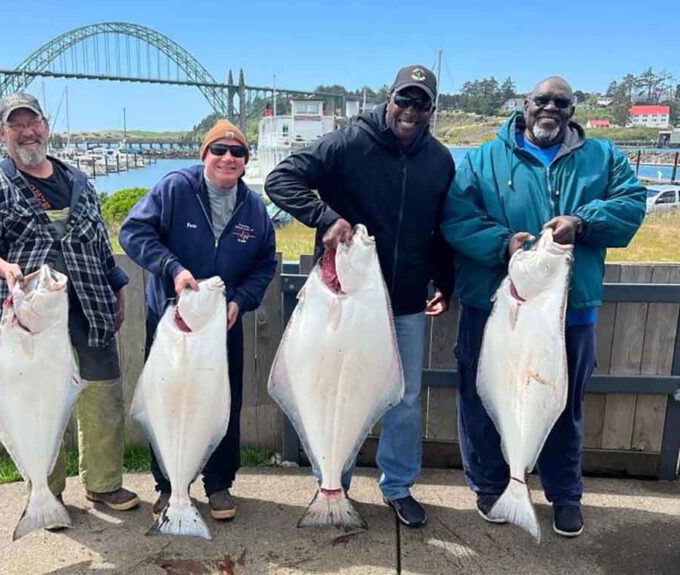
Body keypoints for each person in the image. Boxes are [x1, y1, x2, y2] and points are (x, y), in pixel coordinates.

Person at [440, 76, 646, 537]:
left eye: (561, 102)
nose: (550, 108)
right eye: (541, 100)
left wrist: (582, 220)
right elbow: (456, 218)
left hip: (571, 311)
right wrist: (502, 244)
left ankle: (564, 494)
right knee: (482, 399)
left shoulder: (604, 158)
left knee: (561, 404)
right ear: (525, 106)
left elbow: (633, 206)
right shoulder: (483, 159)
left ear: (572, 109)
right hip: (494, 307)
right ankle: (493, 486)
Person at [265, 65, 455, 527]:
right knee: (333, 391)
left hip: (406, 300)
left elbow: (440, 227)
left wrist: (445, 280)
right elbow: (280, 180)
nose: (410, 110)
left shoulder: (441, 160)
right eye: (403, 100)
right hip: (343, 299)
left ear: (432, 109)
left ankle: (398, 485)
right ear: (388, 100)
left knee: (404, 397)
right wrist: (325, 217)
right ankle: (333, 482)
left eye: (421, 103)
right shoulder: (346, 143)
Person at [0, 92, 140, 515]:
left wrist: (117, 288)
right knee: (35, 405)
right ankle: (46, 492)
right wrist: (3, 267)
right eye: (16, 124)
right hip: (30, 320)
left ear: (46, 125)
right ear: (3, 133)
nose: (27, 131)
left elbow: (100, 245)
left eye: (33, 122)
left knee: (103, 398)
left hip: (90, 310)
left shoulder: (80, 181)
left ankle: (103, 485)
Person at [119, 119, 277, 521]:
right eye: (219, 150)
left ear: (246, 161)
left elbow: (264, 264)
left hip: (222, 324)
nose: (228, 158)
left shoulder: (255, 208)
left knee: (221, 405)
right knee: (165, 404)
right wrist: (172, 268)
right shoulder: (175, 188)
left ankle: (219, 484)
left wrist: (240, 302)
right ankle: (170, 487)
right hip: (172, 321)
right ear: (203, 155)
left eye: (237, 152)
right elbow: (134, 232)